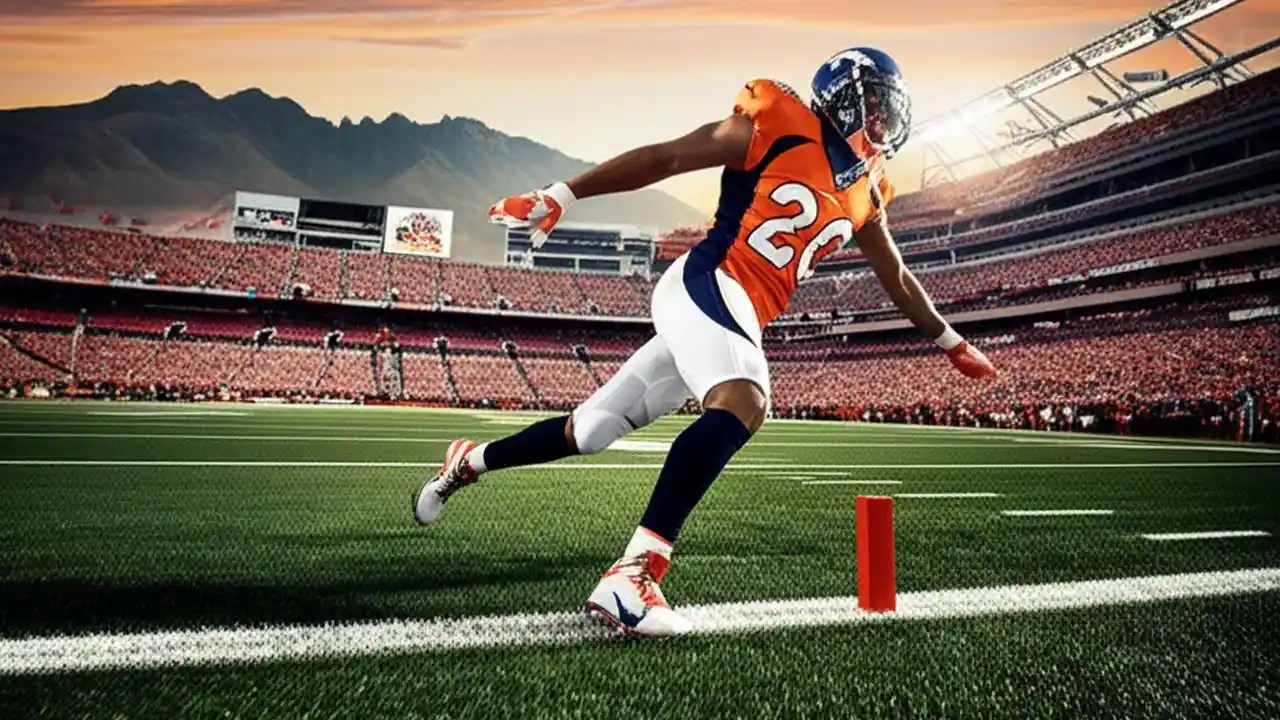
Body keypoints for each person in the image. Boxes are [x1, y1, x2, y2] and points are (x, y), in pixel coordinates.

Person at [412, 48, 996, 637]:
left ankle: (468, 461)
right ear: (843, 94)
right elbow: (669, 155)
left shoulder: (869, 193)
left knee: (588, 432)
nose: (884, 119)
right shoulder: (780, 123)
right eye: (875, 103)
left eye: (889, 109)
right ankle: (633, 574)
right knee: (745, 400)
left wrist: (949, 341)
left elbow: (895, 275)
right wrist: (564, 194)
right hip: (709, 280)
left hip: (733, 312)